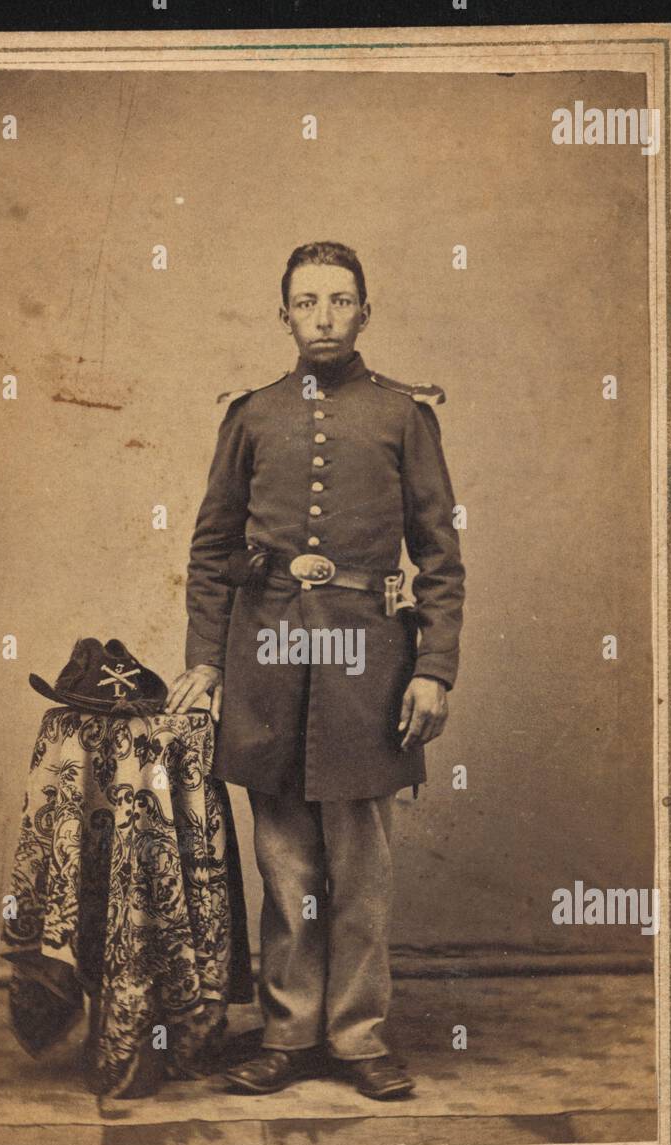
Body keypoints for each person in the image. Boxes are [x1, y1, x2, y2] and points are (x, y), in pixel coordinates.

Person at [167, 242, 465, 1100]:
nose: (325, 317)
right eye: (308, 302)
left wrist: (433, 668)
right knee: (285, 864)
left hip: (369, 665)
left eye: (341, 301)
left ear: (365, 312)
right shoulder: (251, 415)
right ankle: (289, 1032)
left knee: (362, 867)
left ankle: (359, 1038)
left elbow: (441, 556)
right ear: (285, 314)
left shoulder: (404, 416)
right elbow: (213, 550)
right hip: (266, 662)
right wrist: (206, 663)